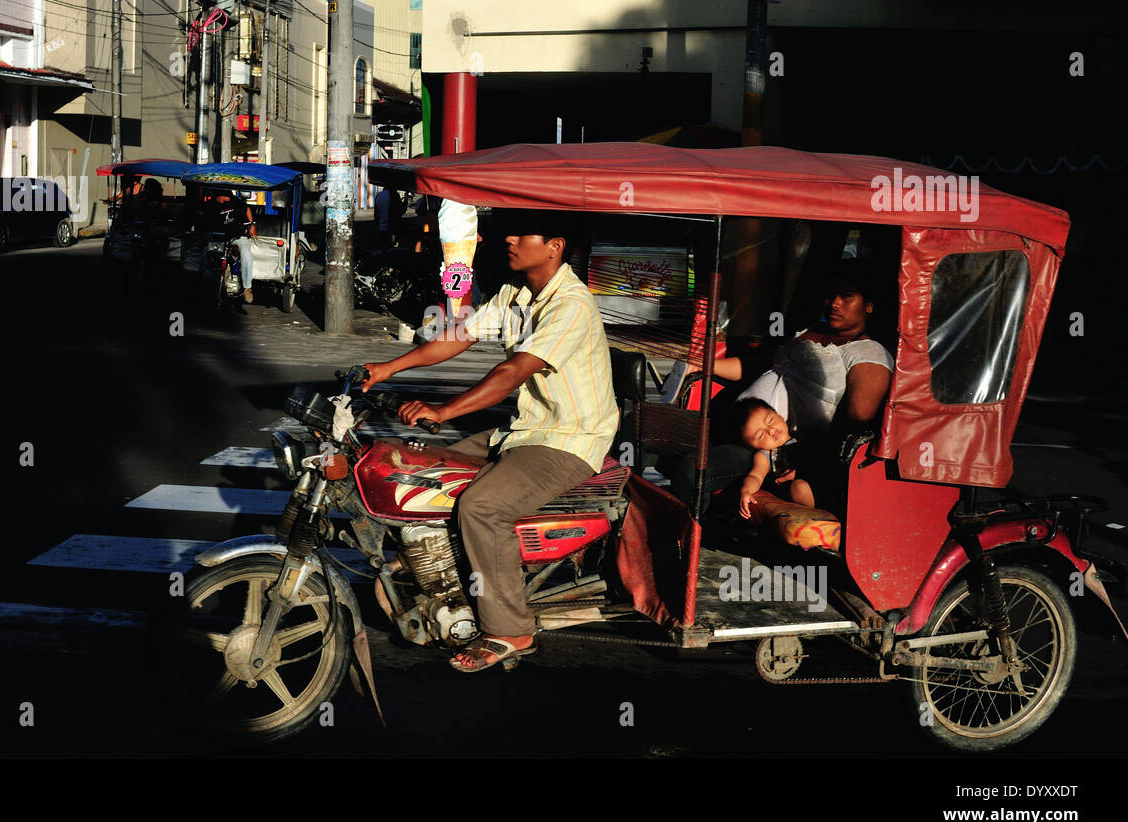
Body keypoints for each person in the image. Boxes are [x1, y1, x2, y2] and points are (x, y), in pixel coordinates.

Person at [360, 211, 618, 673]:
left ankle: (511, 628)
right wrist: (385, 369)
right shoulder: (518, 294)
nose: (510, 240)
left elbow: (510, 373)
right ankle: (439, 570)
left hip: (569, 439)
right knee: (425, 473)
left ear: (555, 246)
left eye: (523, 233)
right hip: (523, 430)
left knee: (482, 508)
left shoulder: (571, 304)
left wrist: (442, 411)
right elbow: (457, 337)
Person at [661, 264, 893, 516]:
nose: (834, 303)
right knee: (643, 425)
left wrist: (807, 461)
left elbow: (857, 422)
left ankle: (691, 541)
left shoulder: (869, 354)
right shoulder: (810, 331)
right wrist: (704, 365)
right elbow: (756, 365)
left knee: (689, 472)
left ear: (869, 305)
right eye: (830, 294)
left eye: (846, 296)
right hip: (732, 421)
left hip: (767, 446)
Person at [734, 397, 814, 519]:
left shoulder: (803, 436)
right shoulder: (765, 455)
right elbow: (755, 476)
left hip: (822, 484)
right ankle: (815, 520)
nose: (770, 431)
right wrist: (745, 491)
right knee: (799, 487)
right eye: (760, 435)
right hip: (799, 497)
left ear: (780, 416)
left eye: (770, 420)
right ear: (754, 446)